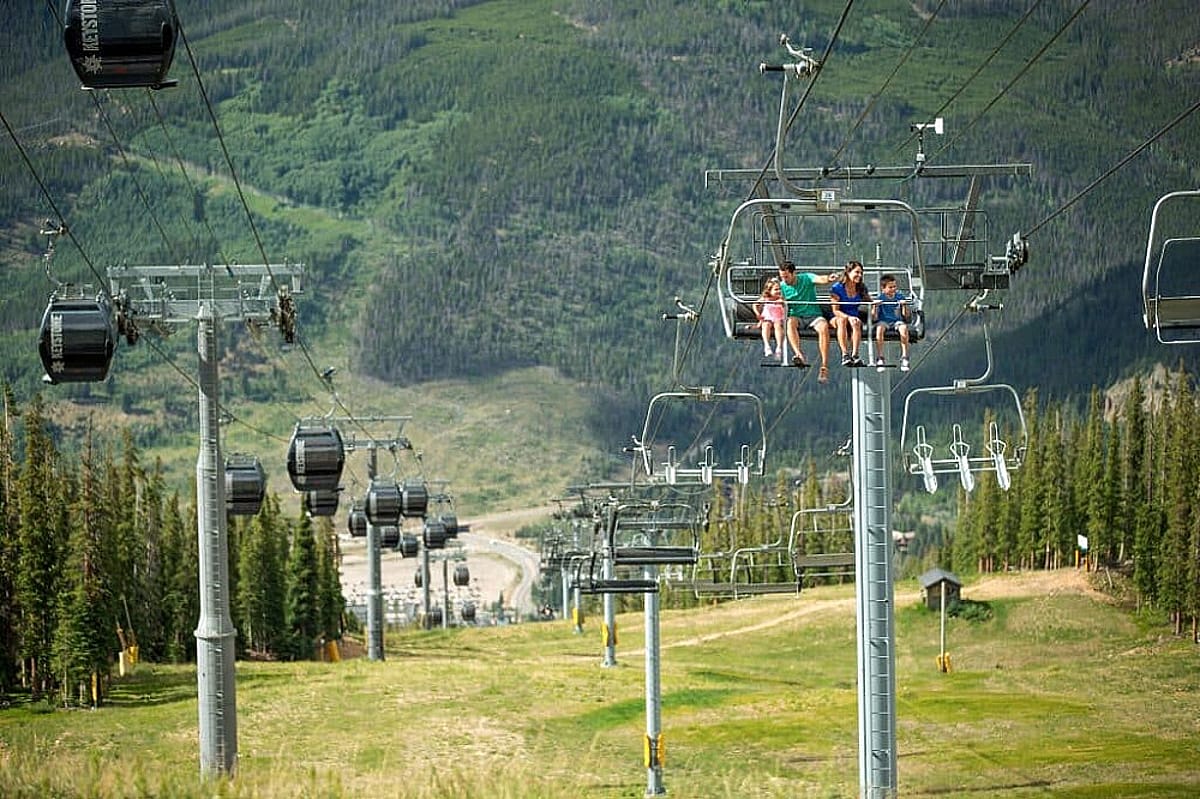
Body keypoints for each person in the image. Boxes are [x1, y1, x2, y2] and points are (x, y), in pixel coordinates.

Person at [778, 260, 839, 383]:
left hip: (813, 315)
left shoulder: (806, 278)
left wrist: (828, 278)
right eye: (782, 277)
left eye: (786, 276)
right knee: (790, 323)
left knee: (823, 327)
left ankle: (824, 366)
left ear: (793, 273)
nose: (784, 279)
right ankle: (798, 354)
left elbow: (820, 279)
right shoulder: (782, 287)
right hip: (796, 315)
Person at [830, 260, 870, 367]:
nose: (859, 275)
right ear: (848, 272)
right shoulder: (837, 288)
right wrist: (848, 317)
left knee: (856, 323)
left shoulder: (860, 288)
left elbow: (869, 300)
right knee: (842, 321)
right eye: (857, 272)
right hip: (838, 316)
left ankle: (855, 354)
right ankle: (844, 354)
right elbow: (835, 310)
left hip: (854, 317)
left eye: (861, 273)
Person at [873, 273, 911, 371]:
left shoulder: (899, 297)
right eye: (890, 287)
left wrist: (904, 305)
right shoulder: (880, 298)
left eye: (894, 287)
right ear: (883, 288)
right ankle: (880, 357)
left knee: (904, 329)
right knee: (879, 329)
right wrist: (875, 306)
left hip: (896, 321)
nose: (893, 289)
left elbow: (905, 315)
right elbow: (874, 317)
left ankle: (904, 357)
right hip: (884, 321)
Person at [755, 276, 786, 358]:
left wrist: (782, 303)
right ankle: (767, 346)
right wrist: (758, 314)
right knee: (766, 325)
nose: (778, 291)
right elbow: (755, 304)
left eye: (779, 289)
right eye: (776, 290)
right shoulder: (766, 298)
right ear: (769, 290)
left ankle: (779, 347)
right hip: (767, 317)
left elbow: (786, 308)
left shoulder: (781, 299)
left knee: (778, 326)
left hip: (778, 318)